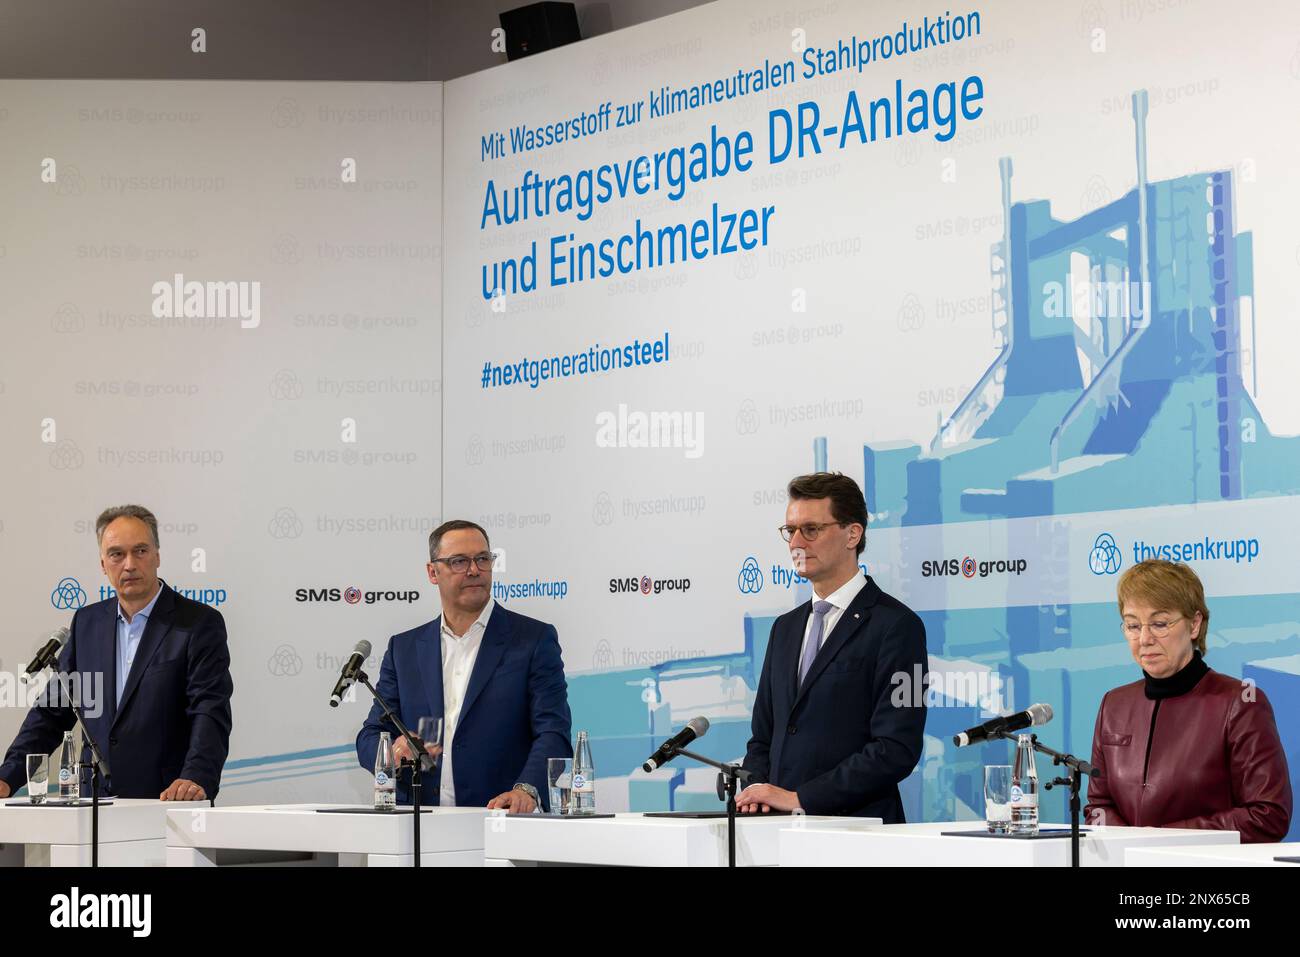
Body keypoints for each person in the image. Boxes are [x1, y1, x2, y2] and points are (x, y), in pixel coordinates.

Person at [0, 505, 233, 801]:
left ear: (157, 556)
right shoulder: (86, 624)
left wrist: (196, 776)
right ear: (103, 563)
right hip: (92, 806)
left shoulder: (198, 623)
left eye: (140, 551)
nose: (129, 564)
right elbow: (51, 712)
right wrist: (7, 776)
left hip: (168, 802)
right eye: (116, 554)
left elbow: (209, 709)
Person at [738, 472, 927, 820]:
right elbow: (762, 737)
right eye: (790, 530)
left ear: (852, 533)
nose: (796, 541)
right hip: (776, 835)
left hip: (858, 832)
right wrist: (757, 790)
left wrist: (800, 797)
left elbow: (896, 748)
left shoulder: (899, 627)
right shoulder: (784, 629)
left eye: (811, 529)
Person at [355, 520, 572, 812]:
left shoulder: (532, 640)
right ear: (433, 572)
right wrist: (392, 752)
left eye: (483, 559)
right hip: (417, 823)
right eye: (459, 561)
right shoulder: (404, 648)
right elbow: (371, 734)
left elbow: (553, 732)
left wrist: (527, 790)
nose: (474, 570)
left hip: (497, 818)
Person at [1084, 559, 1291, 842]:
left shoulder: (1241, 702)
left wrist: (1161, 839)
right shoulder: (1113, 704)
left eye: (1159, 623)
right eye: (1133, 625)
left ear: (1194, 624)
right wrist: (1132, 845)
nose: (1144, 638)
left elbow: (1267, 815)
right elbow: (1098, 806)